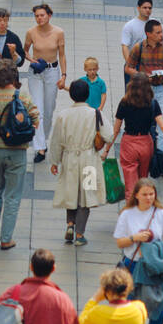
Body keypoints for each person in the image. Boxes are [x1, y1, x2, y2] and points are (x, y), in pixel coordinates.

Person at [0, 62, 40, 250]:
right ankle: (6, 238)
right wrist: (24, 131)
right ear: (14, 77)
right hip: (17, 151)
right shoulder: (24, 98)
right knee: (12, 195)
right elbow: (36, 121)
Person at [112, 178, 163, 324]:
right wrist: (135, 238)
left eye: (151, 194)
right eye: (145, 194)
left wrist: (153, 247)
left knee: (160, 308)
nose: (149, 198)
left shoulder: (162, 214)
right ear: (137, 196)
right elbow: (119, 242)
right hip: (132, 267)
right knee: (130, 309)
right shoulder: (127, 215)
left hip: (153, 267)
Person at [48, 79, 105, 247]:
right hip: (89, 161)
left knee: (71, 192)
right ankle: (80, 234)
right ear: (87, 94)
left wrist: (54, 161)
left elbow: (56, 140)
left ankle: (70, 225)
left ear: (71, 95)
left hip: (69, 159)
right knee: (86, 196)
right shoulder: (95, 113)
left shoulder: (63, 115)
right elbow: (107, 134)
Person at [124, 20, 163, 176]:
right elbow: (128, 68)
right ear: (148, 34)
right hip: (145, 91)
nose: (161, 35)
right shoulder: (139, 48)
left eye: (161, 32)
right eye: (158, 33)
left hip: (162, 89)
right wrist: (142, 76)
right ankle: (145, 161)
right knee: (145, 128)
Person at [25, 3, 67, 161]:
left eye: (42, 15)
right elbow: (25, 50)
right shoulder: (31, 32)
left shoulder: (58, 32)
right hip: (36, 72)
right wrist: (32, 60)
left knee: (49, 111)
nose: (39, 18)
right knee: (38, 111)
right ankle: (40, 148)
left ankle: (43, 140)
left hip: (52, 71)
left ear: (49, 15)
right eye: (36, 15)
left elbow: (62, 55)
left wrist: (63, 75)